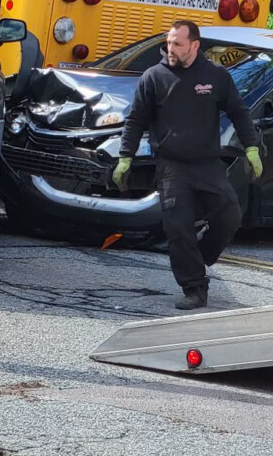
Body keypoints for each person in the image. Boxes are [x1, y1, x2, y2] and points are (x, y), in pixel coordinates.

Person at [113, 21, 263, 311]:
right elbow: (135, 121)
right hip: (171, 167)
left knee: (230, 214)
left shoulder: (215, 76)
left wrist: (252, 148)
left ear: (195, 45)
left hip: (207, 163)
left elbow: (239, 113)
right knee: (178, 229)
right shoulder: (153, 77)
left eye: (178, 44)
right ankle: (194, 288)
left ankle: (201, 254)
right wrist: (125, 157)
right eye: (169, 43)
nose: (171, 49)